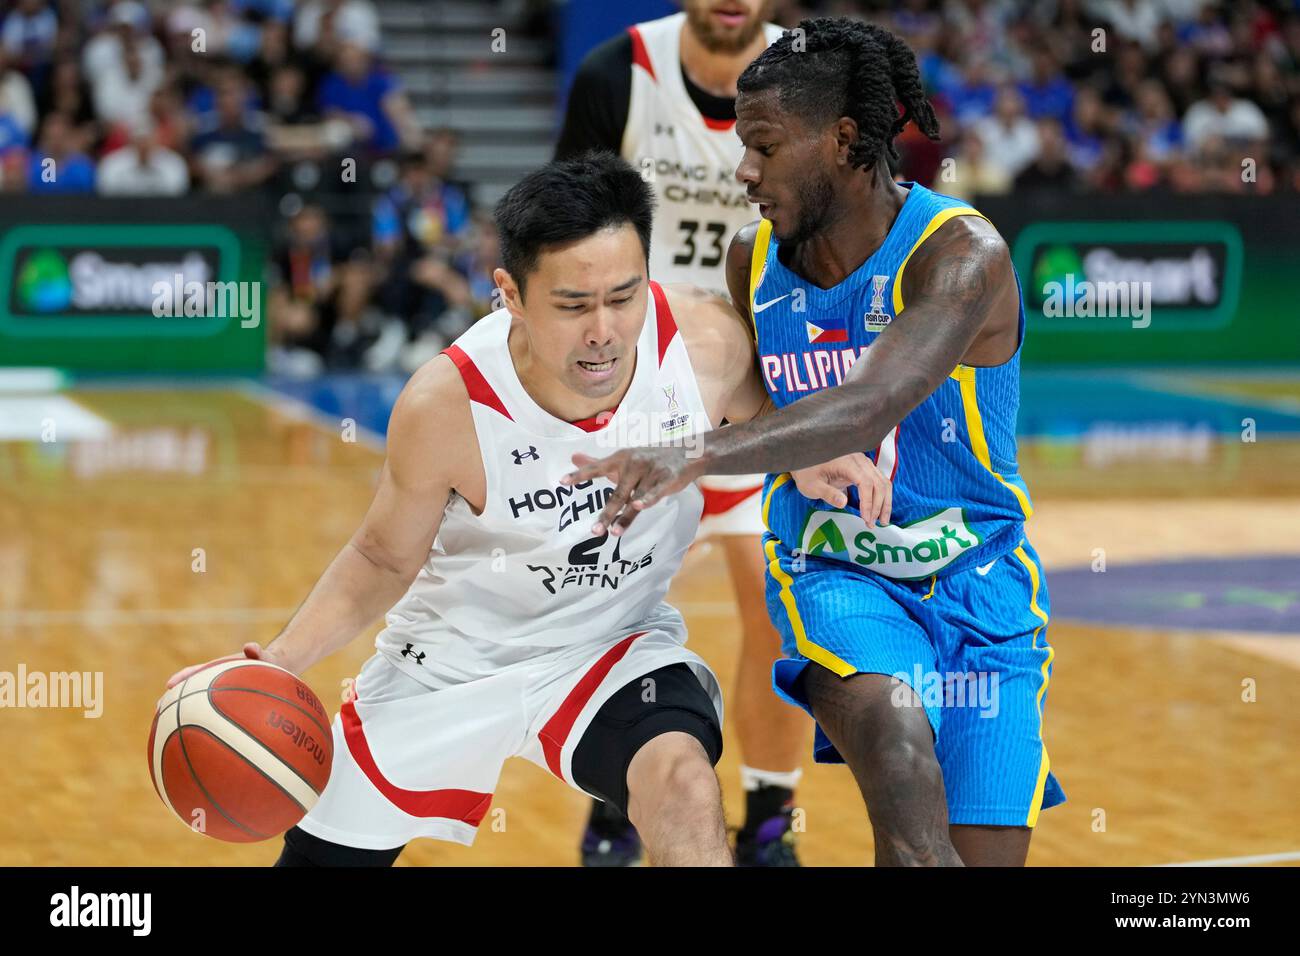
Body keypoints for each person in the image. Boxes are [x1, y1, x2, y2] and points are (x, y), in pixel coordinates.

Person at [165, 152, 890, 867]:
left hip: (612, 649)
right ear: (509, 293)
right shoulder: (447, 402)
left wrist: (805, 449)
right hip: (449, 664)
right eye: (572, 305)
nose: (603, 329)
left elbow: (763, 419)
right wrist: (282, 661)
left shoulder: (703, 343)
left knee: (685, 788)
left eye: (623, 296)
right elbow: (383, 557)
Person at [564, 18, 1066, 867]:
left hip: (982, 588)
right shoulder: (747, 262)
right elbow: (739, 384)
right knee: (896, 737)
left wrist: (687, 456)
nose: (744, 170)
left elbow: (868, 405)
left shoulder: (960, 254)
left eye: (762, 146)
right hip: (836, 571)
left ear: (842, 141)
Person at [555, 0, 808, 867]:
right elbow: (565, 232)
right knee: (608, 606)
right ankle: (619, 798)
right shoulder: (615, 75)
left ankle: (770, 817)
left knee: (777, 607)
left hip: (764, 377)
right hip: (636, 385)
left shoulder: (809, 72)